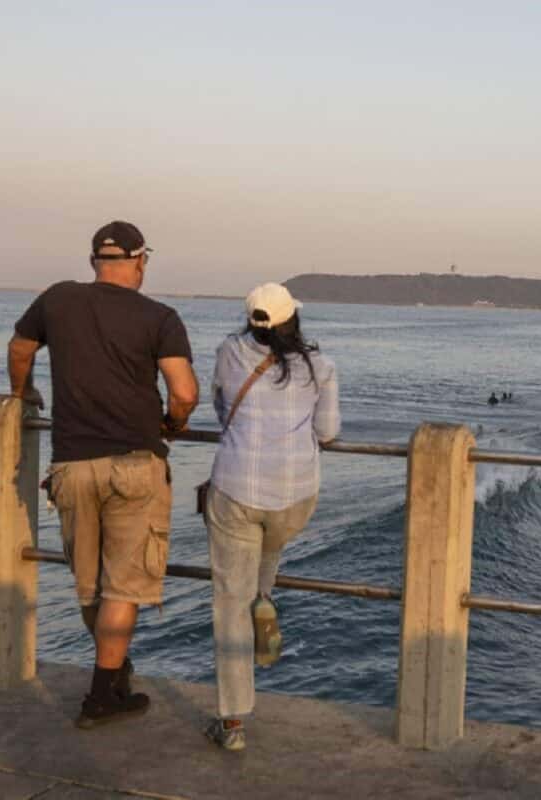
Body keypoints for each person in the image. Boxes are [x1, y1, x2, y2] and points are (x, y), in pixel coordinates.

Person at [8, 221, 198, 729]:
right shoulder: (160, 317)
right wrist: (173, 426)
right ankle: (100, 697)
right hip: (135, 464)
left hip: (71, 464)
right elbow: (183, 392)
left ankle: (112, 675)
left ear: (95, 261)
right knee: (124, 587)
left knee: (91, 586)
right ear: (140, 262)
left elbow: (20, 348)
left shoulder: (57, 300)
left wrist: (23, 395)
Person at [205, 282, 340, 751]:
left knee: (229, 602)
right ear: (292, 320)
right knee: (271, 539)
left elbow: (223, 409)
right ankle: (264, 594)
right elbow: (328, 431)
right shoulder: (319, 366)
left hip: (237, 488)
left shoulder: (228, 352)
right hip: (294, 497)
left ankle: (233, 722)